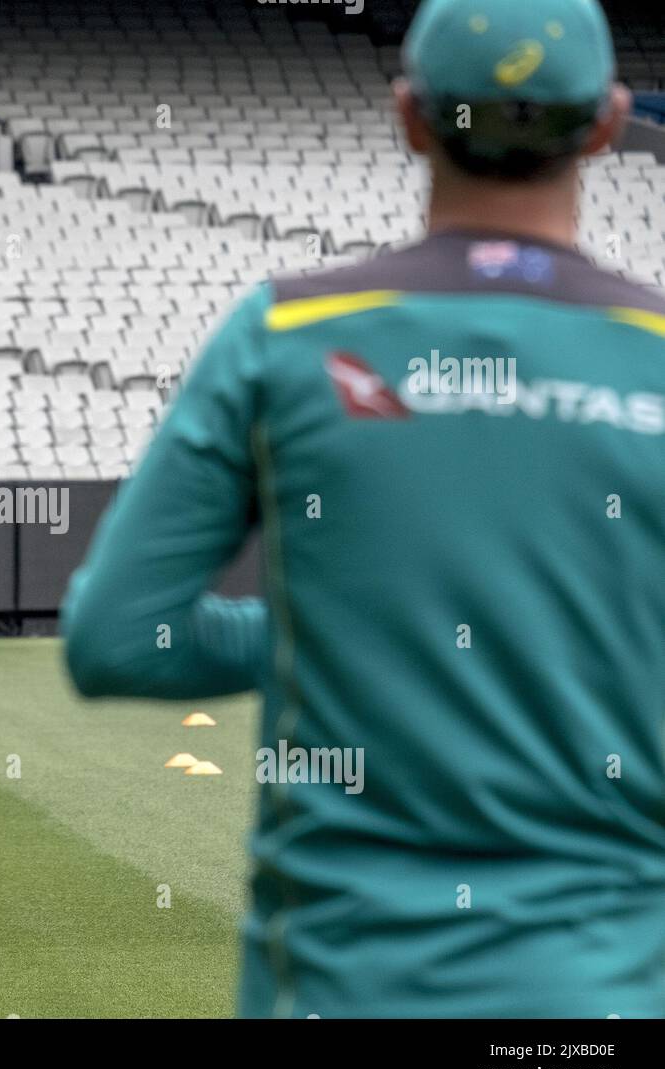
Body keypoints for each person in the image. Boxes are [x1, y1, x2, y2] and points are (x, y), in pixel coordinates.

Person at [62, 0, 665, 1017]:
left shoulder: (284, 332)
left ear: (408, 117)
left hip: (340, 986)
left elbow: (118, 636)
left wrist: (321, 638)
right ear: (606, 123)